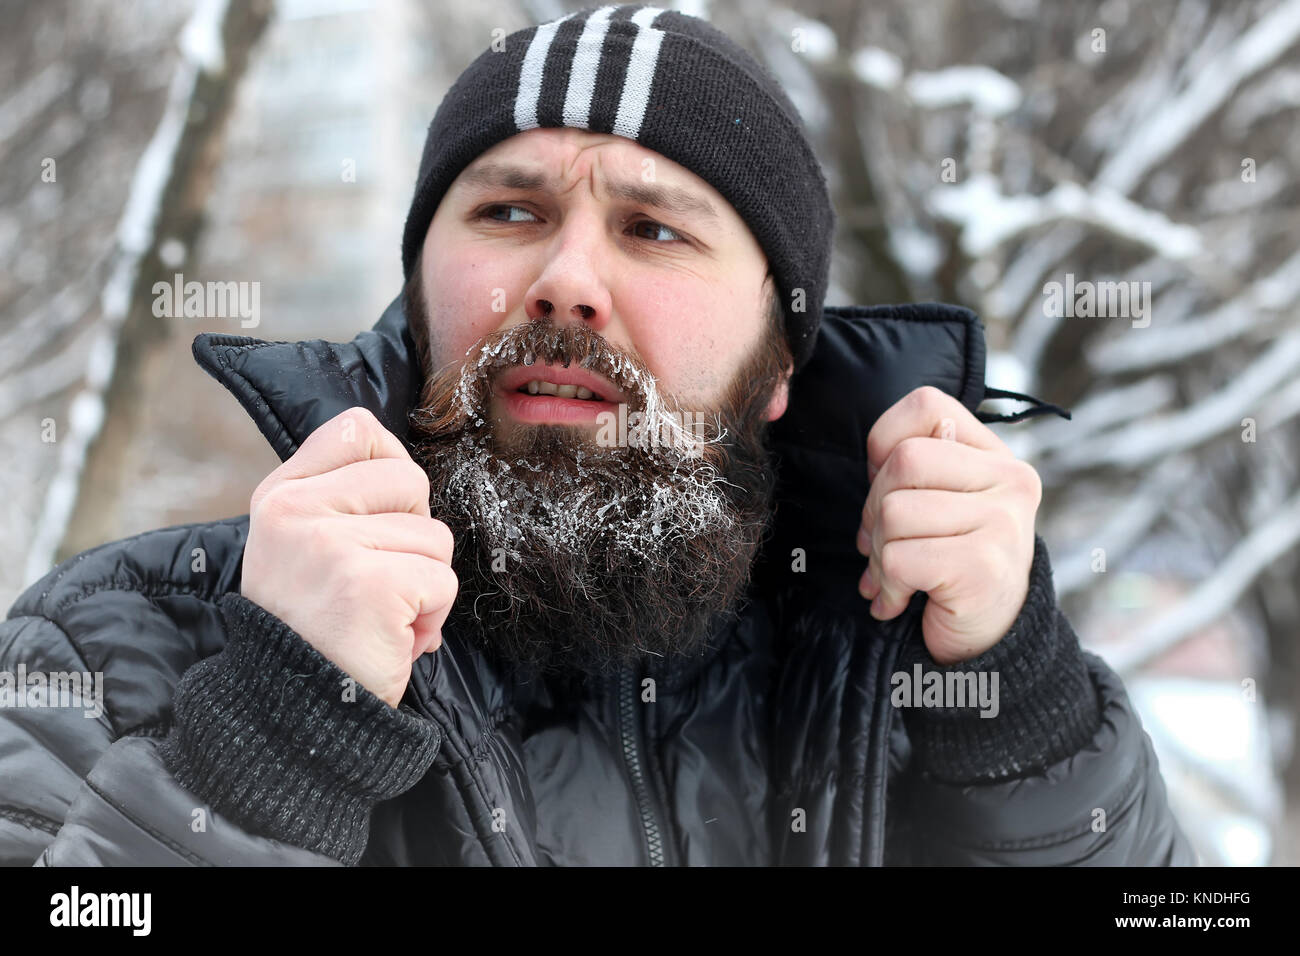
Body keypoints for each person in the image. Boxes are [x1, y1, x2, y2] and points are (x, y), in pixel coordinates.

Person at [0, 5, 1195, 866]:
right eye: (510, 210)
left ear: (780, 363)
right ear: (417, 299)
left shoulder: (917, 671)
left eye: (655, 229)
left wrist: (1017, 704)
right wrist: (269, 740)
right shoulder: (120, 652)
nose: (567, 280)